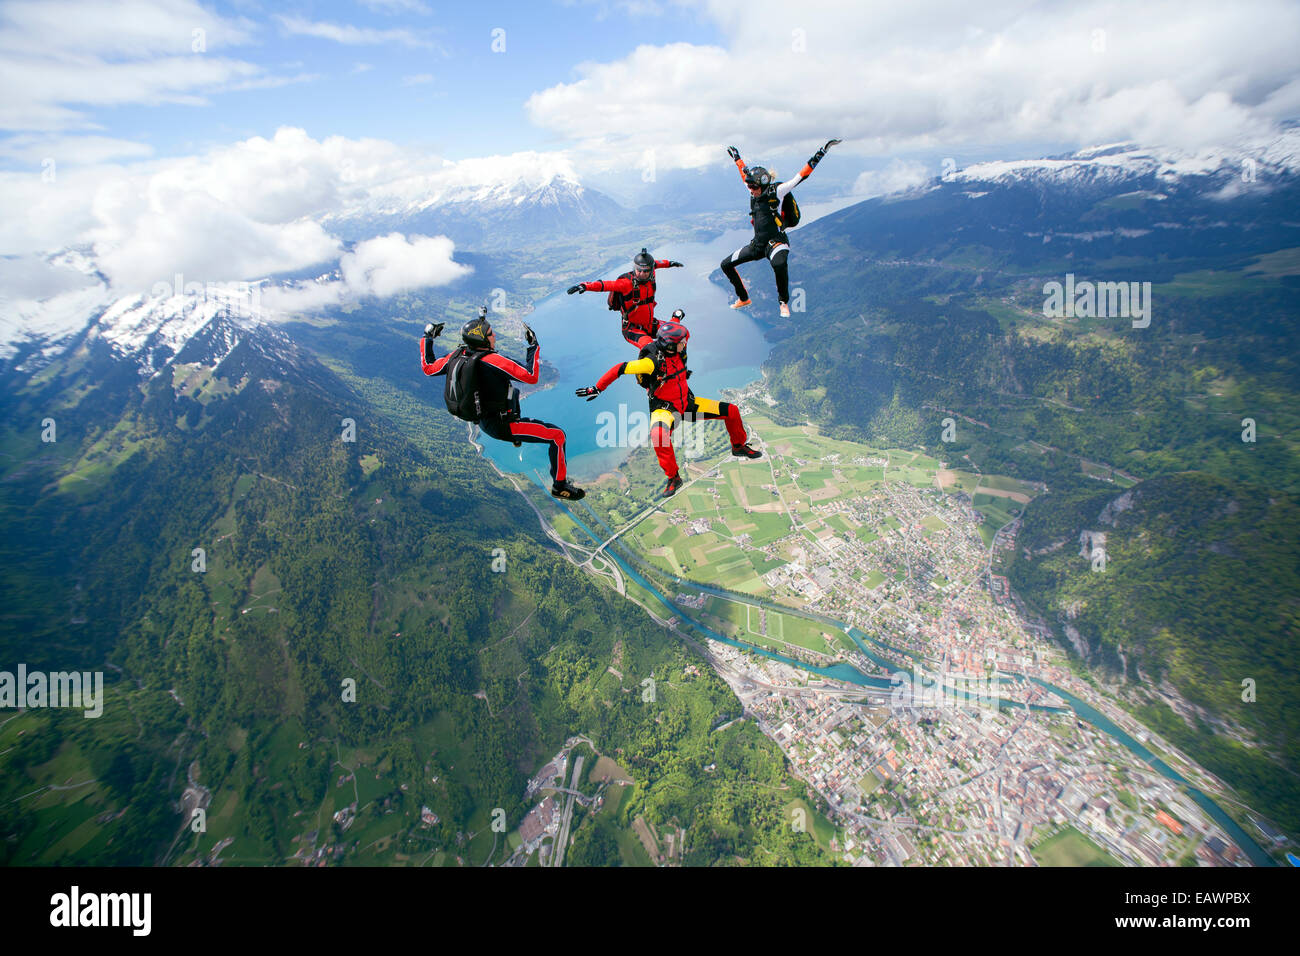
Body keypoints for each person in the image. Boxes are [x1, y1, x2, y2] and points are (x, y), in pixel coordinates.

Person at [575, 322, 761, 498]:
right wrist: (598, 388)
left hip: (688, 404)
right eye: (681, 342)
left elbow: (671, 330)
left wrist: (676, 318)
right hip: (665, 409)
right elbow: (621, 368)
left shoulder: (677, 350)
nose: (685, 343)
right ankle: (673, 477)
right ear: (670, 346)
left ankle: (738, 447)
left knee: (732, 410)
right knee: (658, 435)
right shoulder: (651, 362)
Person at [421, 309, 584, 500]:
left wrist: (427, 337)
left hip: (484, 420)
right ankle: (559, 485)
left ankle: (516, 437)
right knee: (558, 436)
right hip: (503, 426)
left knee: (512, 393)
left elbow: (428, 368)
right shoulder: (493, 360)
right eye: (490, 333)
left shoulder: (457, 356)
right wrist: (533, 346)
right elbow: (531, 376)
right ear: (482, 339)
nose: (494, 335)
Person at [720, 139, 840, 318]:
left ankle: (783, 302)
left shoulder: (778, 191)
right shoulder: (753, 188)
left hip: (776, 242)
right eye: (750, 186)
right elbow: (743, 172)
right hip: (757, 245)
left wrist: (822, 151)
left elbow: (802, 176)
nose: (750, 189)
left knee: (779, 263)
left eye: (753, 187)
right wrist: (736, 157)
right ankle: (743, 298)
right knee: (726, 265)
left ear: (762, 184)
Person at [567, 248, 684, 348]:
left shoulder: (652, 273)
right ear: (635, 268)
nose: (642, 273)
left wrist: (670, 263)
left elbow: (658, 263)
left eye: (646, 271)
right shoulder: (625, 284)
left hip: (648, 324)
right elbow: (604, 285)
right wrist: (583, 286)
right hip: (632, 328)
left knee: (678, 333)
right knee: (650, 347)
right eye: (639, 270)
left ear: (650, 270)